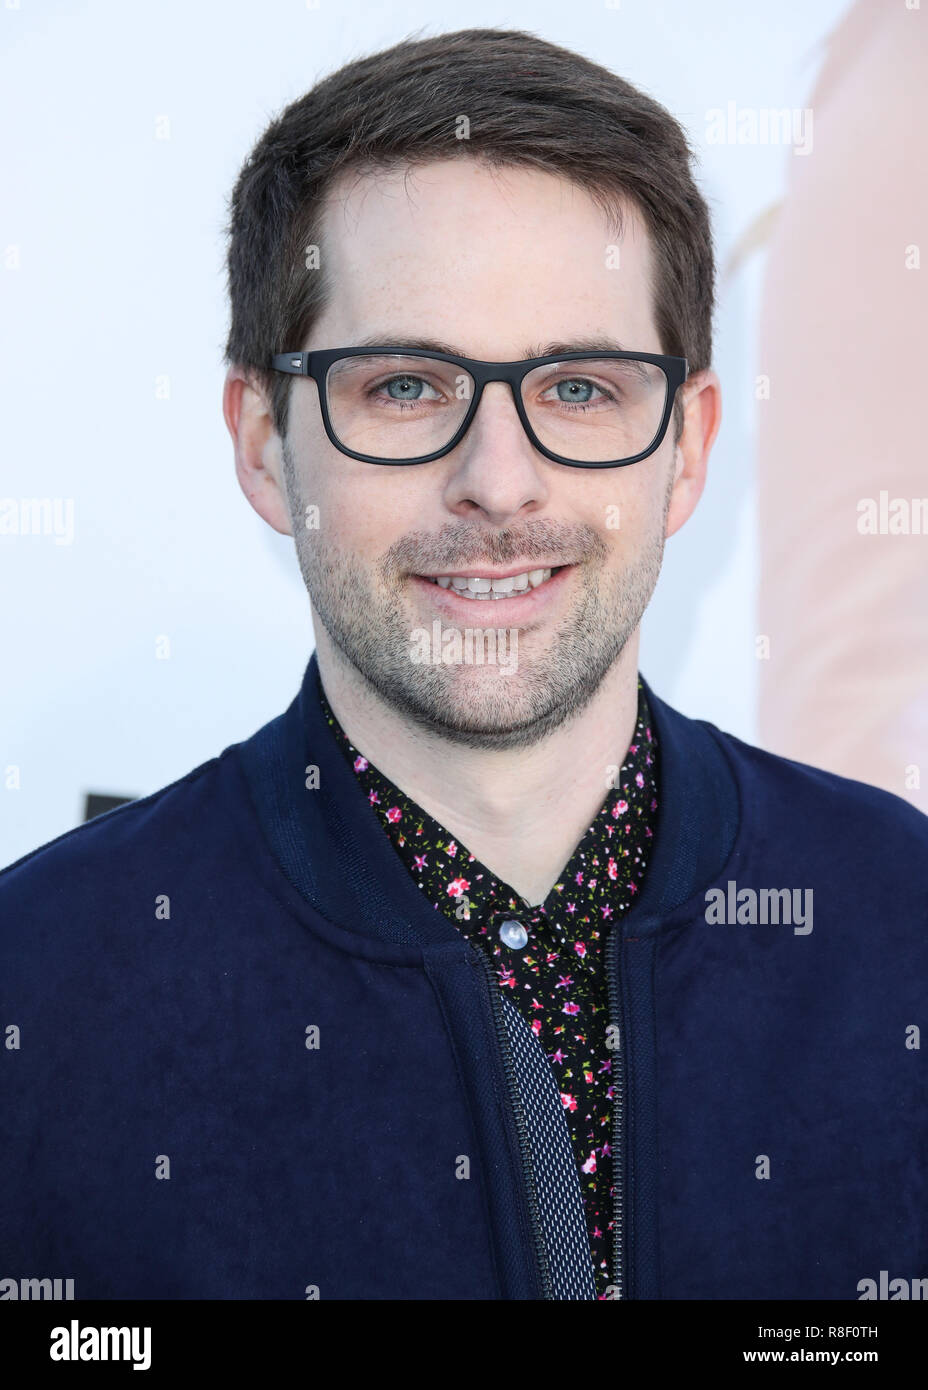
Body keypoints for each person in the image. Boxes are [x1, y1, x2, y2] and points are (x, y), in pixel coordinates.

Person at [1, 27, 925, 1302]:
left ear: (690, 446)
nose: (498, 481)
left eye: (582, 389)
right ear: (266, 443)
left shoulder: (902, 924)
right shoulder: (38, 992)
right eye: (405, 387)